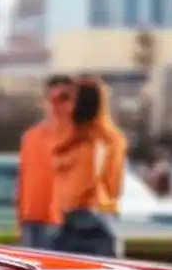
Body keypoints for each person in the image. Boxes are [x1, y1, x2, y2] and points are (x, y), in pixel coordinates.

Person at [49, 76, 127, 256]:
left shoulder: (84, 143)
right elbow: (115, 185)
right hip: (102, 214)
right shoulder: (111, 138)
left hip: (82, 218)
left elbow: (81, 184)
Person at [15, 76, 73, 249]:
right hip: (32, 220)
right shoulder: (31, 137)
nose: (55, 105)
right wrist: (20, 219)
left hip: (64, 222)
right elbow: (23, 180)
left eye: (62, 99)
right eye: (51, 99)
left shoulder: (78, 138)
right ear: (43, 102)